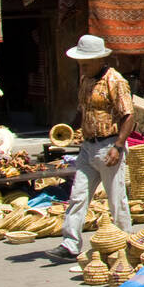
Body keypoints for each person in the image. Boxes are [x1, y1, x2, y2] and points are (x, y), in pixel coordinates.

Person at [47, 35, 135, 262]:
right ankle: (70, 244)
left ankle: (125, 242)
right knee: (78, 195)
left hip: (109, 145)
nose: (82, 66)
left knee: (116, 198)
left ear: (99, 60)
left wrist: (118, 146)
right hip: (88, 146)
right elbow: (83, 109)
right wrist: (75, 129)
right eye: (81, 63)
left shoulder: (115, 81)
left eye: (86, 63)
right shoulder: (85, 80)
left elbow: (128, 116)